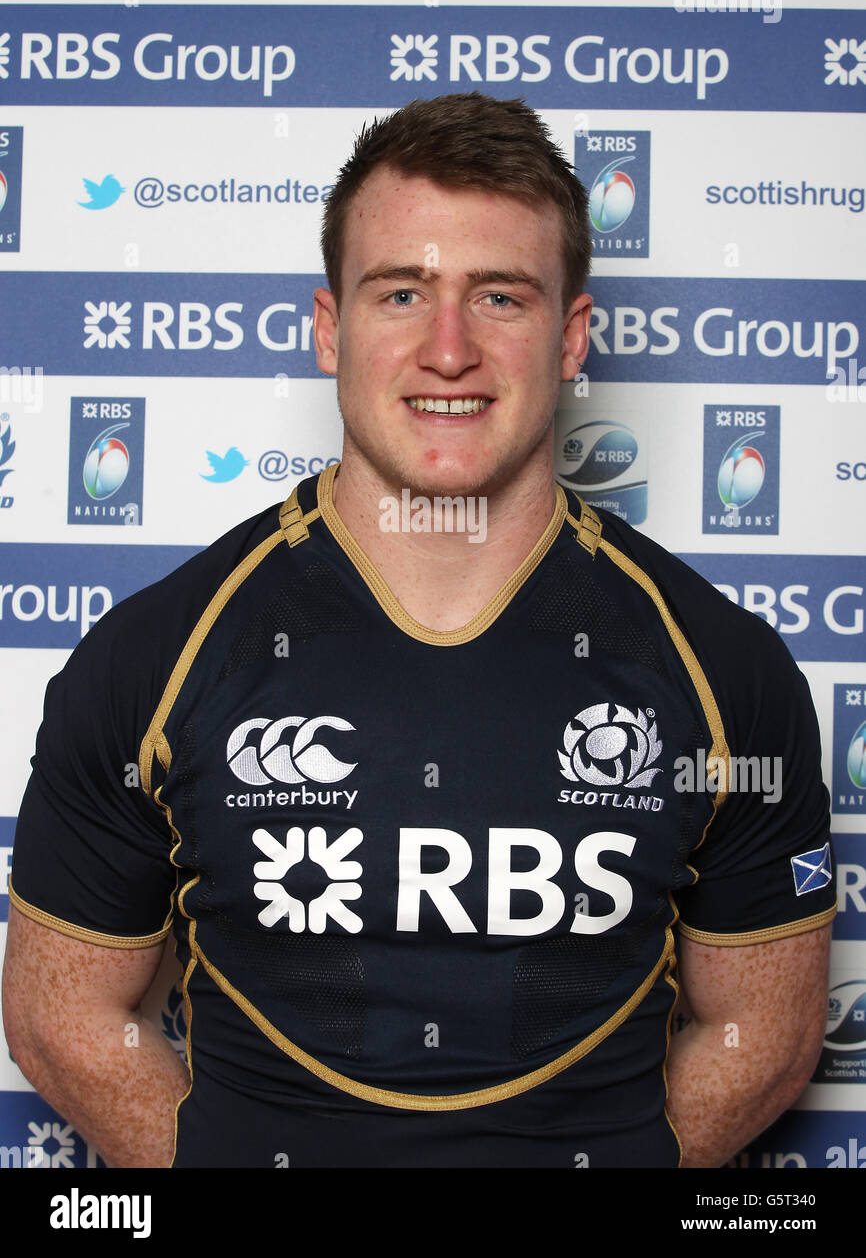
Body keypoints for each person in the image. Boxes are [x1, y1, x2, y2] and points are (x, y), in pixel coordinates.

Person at [3, 94, 834, 1169]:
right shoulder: (151, 659)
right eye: (401, 293)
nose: (449, 350)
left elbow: (761, 1032)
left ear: (572, 336)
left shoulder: (722, 670)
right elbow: (62, 1019)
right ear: (327, 327)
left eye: (500, 297)